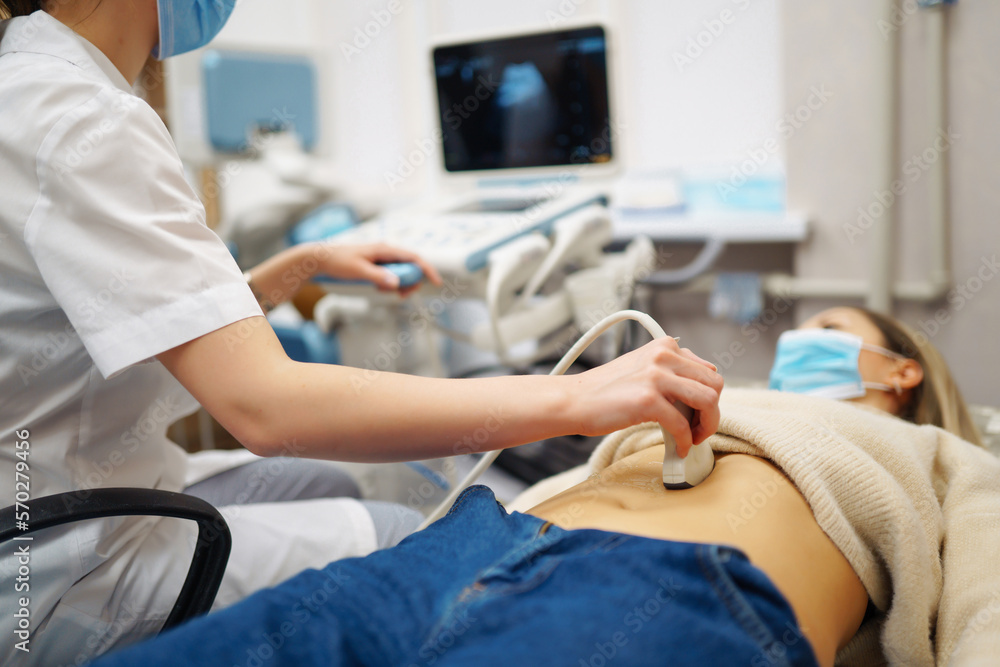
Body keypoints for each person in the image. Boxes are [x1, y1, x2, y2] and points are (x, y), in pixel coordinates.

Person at [0, 1, 725, 665]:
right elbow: (266, 407)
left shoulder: (33, 87)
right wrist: (574, 395)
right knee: (398, 535)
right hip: (58, 570)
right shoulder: (79, 115)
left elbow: (144, 317)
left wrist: (302, 265)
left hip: (76, 488)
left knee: (326, 478)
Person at [89, 307, 1000, 667]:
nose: (804, 333)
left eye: (832, 325)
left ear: (902, 370)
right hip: (467, 546)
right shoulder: (707, 394)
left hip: (650, 592)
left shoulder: (933, 453)